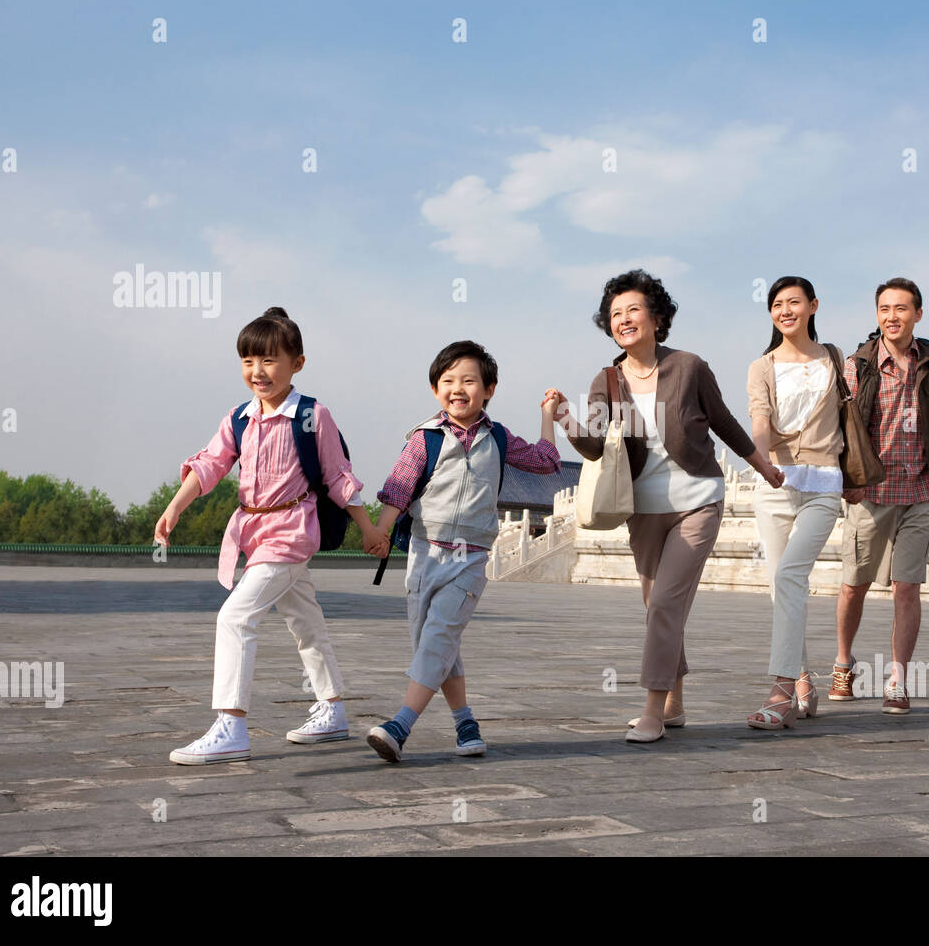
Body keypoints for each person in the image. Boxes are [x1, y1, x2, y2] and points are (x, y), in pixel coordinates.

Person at [551, 269, 784, 743]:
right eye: (615, 314)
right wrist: (564, 417)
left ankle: (653, 711)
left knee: (662, 604)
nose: (624, 319)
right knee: (661, 609)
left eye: (633, 309)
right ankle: (675, 703)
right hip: (643, 510)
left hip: (697, 500)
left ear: (657, 318)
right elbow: (595, 447)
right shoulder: (607, 380)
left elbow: (724, 422)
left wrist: (761, 465)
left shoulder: (689, 366)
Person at [157, 307, 388, 765]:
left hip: (292, 532)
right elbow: (210, 464)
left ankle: (231, 724)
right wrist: (174, 507)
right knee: (305, 620)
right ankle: (333, 710)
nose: (257, 371)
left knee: (235, 617)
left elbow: (338, 476)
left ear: (296, 363)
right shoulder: (240, 418)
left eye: (268, 360)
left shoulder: (311, 415)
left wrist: (368, 529)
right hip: (255, 532)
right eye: (247, 361)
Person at [366, 341, 561, 762]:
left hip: (470, 557)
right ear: (436, 389)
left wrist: (548, 416)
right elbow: (398, 487)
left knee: (439, 635)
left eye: (469, 380)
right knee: (436, 643)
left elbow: (546, 463)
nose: (458, 388)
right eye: (448, 380)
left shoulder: (500, 438)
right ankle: (465, 723)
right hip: (424, 554)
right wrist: (381, 531)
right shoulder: (425, 438)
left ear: (488, 389)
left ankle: (400, 725)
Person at [832, 278, 929, 714]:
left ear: (918, 314)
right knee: (853, 584)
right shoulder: (859, 364)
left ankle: (898, 679)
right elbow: (844, 425)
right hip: (871, 489)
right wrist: (846, 477)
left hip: (923, 486)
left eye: (902, 309)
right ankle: (843, 663)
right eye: (885, 309)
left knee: (906, 587)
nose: (893, 316)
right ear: (877, 315)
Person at [744, 276, 845, 729]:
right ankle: (803, 677)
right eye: (776, 304)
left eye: (793, 302)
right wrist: (761, 461)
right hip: (775, 484)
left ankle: (780, 692)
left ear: (813, 306)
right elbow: (760, 419)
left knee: (789, 575)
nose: (784, 310)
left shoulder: (837, 360)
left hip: (824, 483)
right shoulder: (761, 366)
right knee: (781, 586)